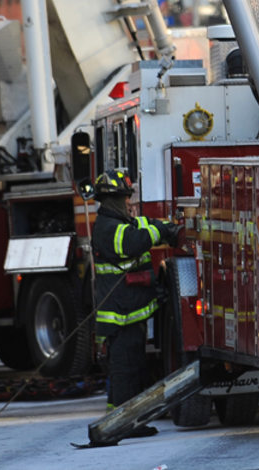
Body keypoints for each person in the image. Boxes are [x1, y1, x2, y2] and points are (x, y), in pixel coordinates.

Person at [91, 168, 180, 436]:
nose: (128, 202)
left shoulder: (120, 221)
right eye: (125, 197)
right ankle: (123, 425)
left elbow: (142, 225)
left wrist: (165, 226)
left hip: (128, 311)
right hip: (120, 314)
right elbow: (133, 242)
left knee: (131, 369)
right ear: (113, 199)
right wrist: (160, 231)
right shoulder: (108, 228)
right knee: (126, 370)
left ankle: (121, 421)